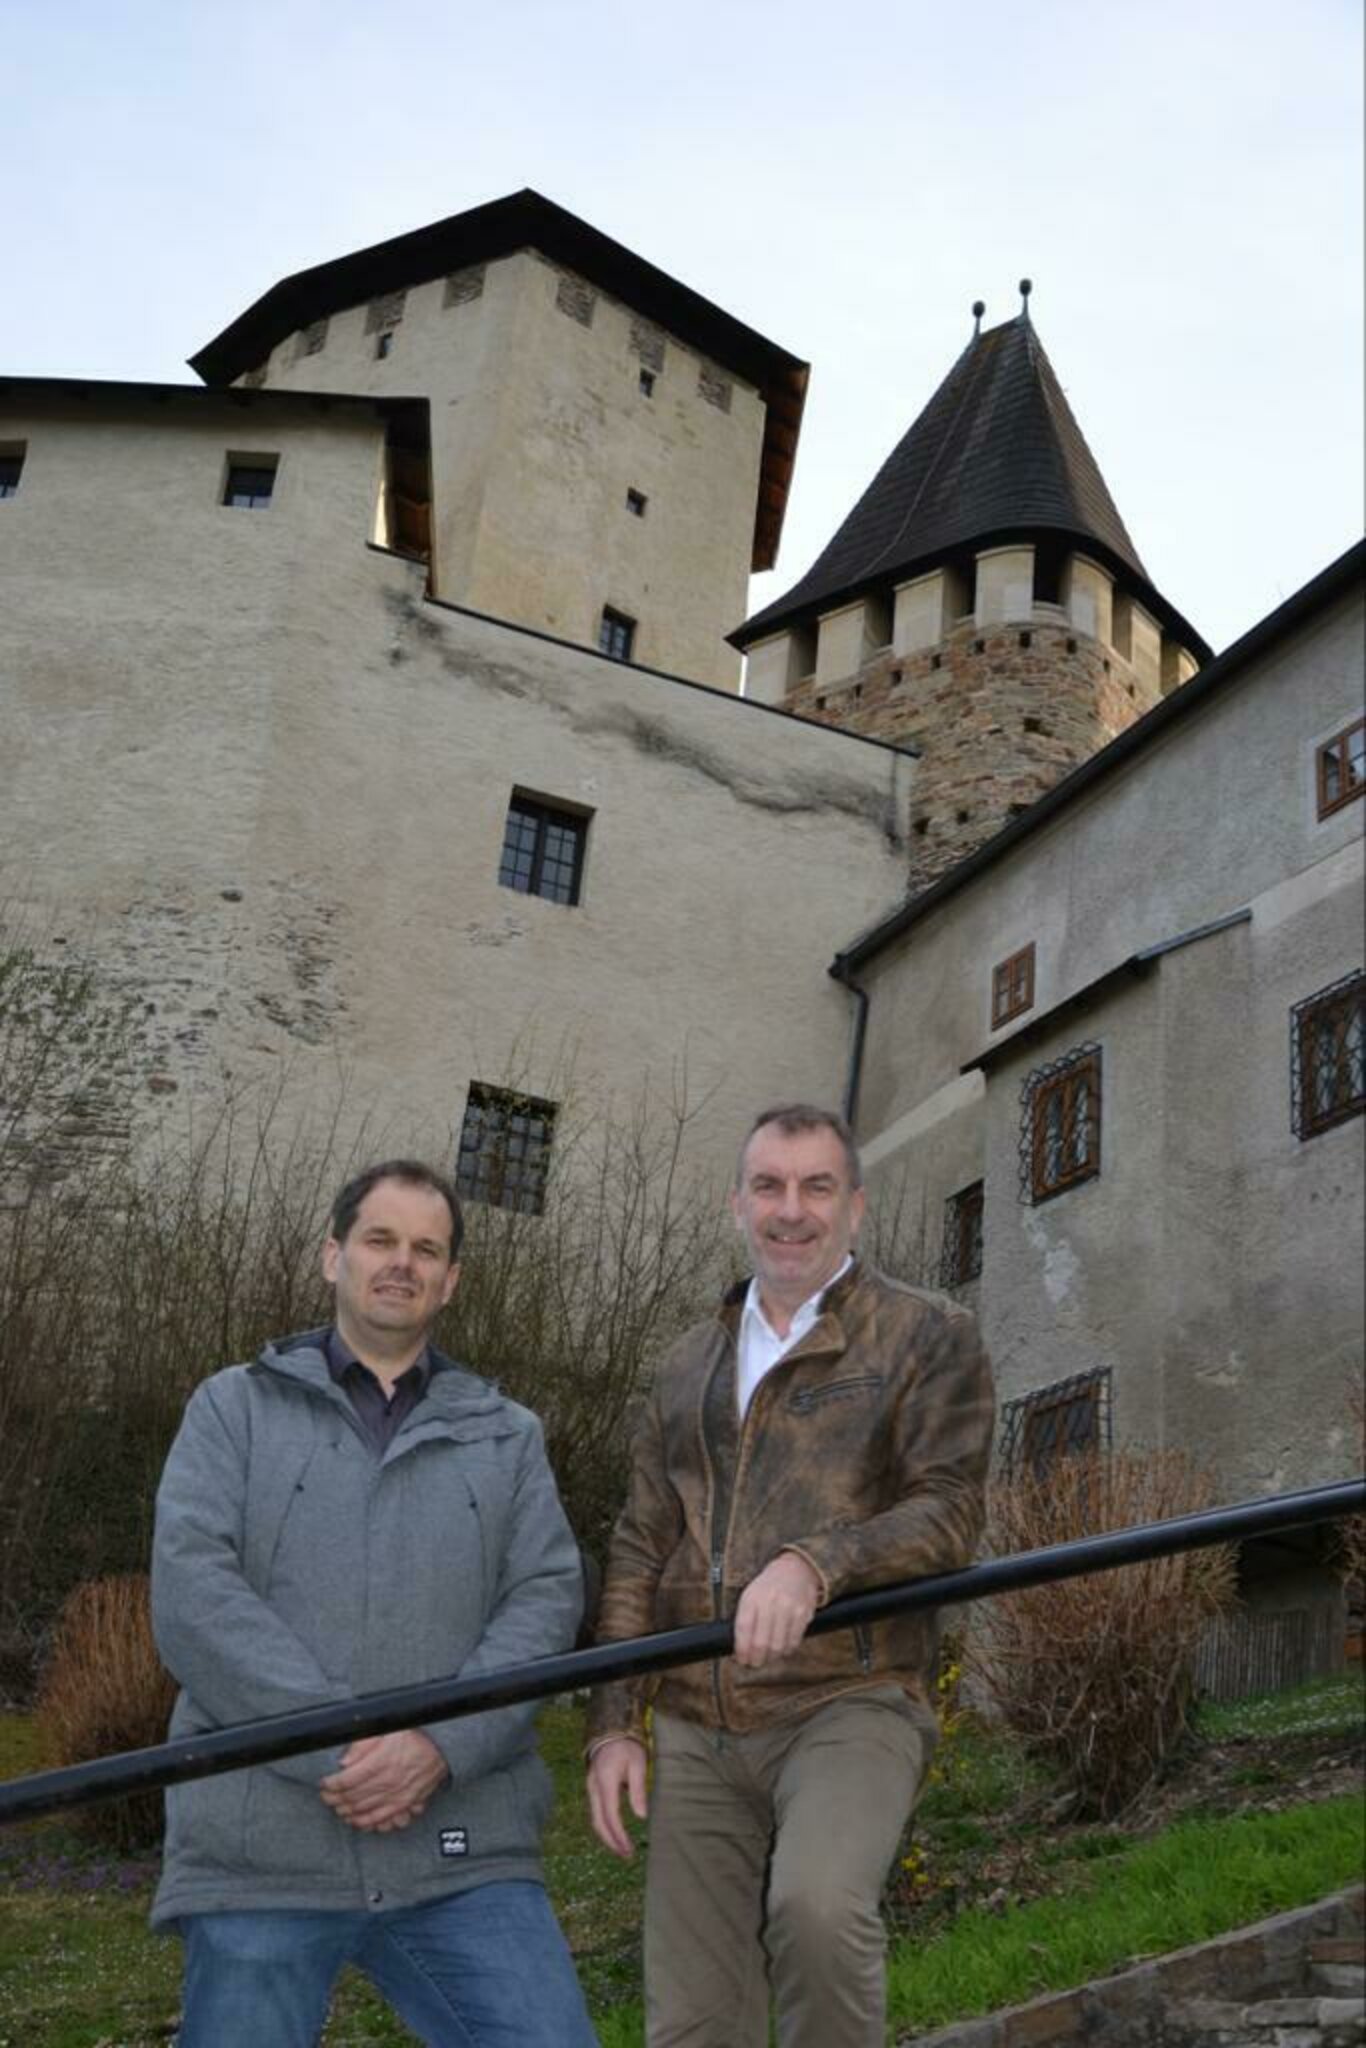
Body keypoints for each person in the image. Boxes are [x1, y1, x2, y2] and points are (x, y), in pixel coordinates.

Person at [151, 1158, 598, 2048]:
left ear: (452, 1280)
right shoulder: (232, 1409)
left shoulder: (507, 1436)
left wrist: (442, 1745)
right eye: (380, 1240)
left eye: (426, 1249)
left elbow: (545, 1600)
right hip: (261, 1853)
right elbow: (195, 1594)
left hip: (461, 1848)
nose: (403, 1262)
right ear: (333, 1257)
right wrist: (341, 1749)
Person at [586, 1104, 994, 2048]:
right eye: (768, 1186)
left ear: (855, 1207)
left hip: (850, 1697)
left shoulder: (927, 1335)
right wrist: (614, 1723)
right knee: (690, 2016)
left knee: (816, 1909)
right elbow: (640, 1546)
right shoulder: (686, 1363)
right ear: (737, 1203)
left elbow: (950, 1512)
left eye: (817, 1187)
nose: (791, 1210)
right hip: (696, 1718)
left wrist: (815, 1566)